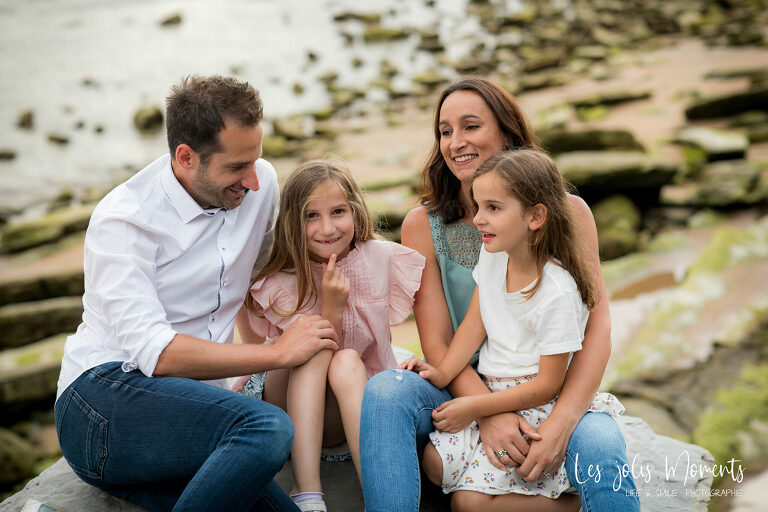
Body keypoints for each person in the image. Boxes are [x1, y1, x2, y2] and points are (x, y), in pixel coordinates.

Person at [54, 75, 339, 512]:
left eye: (255, 159)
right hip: (100, 405)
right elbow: (158, 354)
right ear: (185, 157)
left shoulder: (258, 186)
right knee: (267, 429)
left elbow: (264, 276)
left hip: (194, 418)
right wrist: (276, 353)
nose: (254, 180)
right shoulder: (124, 219)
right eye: (236, 167)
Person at [360, 78, 641, 511]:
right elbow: (437, 342)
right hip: (461, 384)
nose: (455, 142)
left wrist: (564, 421)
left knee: (601, 447)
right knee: (384, 391)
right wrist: (486, 410)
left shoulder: (569, 214)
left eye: (470, 126)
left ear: (508, 133)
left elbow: (597, 327)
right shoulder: (424, 224)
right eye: (445, 130)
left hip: (549, 391)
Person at [400, 150, 624, 512]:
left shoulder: (557, 291)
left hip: (539, 406)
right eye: (477, 206)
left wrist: (474, 407)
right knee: (438, 469)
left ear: (536, 216)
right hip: (493, 389)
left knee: (468, 504)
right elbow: (476, 321)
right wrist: (442, 371)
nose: (478, 220)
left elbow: (548, 385)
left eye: (493, 208)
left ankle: (573, 506)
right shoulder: (493, 255)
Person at [235, 161, 425, 512]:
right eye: (311, 216)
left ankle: (378, 493)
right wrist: (332, 309)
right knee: (313, 345)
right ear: (293, 221)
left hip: (346, 404)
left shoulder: (381, 259)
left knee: (347, 359)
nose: (327, 228)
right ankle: (308, 494)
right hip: (286, 402)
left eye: (338, 212)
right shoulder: (283, 276)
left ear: (354, 210)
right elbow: (263, 347)